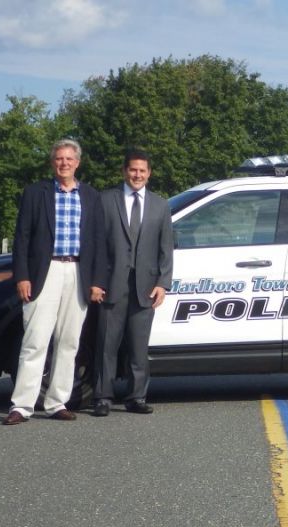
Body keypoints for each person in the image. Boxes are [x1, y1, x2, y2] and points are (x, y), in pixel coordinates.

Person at [3, 139, 106, 425]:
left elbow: (98, 241)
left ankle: (56, 402)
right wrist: (22, 276)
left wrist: (97, 281)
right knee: (35, 341)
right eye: (59, 158)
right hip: (44, 272)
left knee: (69, 342)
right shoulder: (36, 193)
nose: (64, 163)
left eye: (69, 159)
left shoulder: (91, 196)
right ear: (52, 162)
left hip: (77, 272)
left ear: (78, 163)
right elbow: (22, 238)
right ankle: (22, 405)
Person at [92, 149, 174, 416]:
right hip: (111, 284)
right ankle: (103, 397)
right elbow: (96, 244)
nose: (137, 175)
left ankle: (136, 396)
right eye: (133, 170)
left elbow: (166, 247)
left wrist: (163, 283)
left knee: (139, 347)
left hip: (145, 287)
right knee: (107, 345)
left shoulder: (160, 205)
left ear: (149, 173)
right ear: (124, 171)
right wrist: (96, 281)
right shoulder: (105, 200)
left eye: (142, 170)